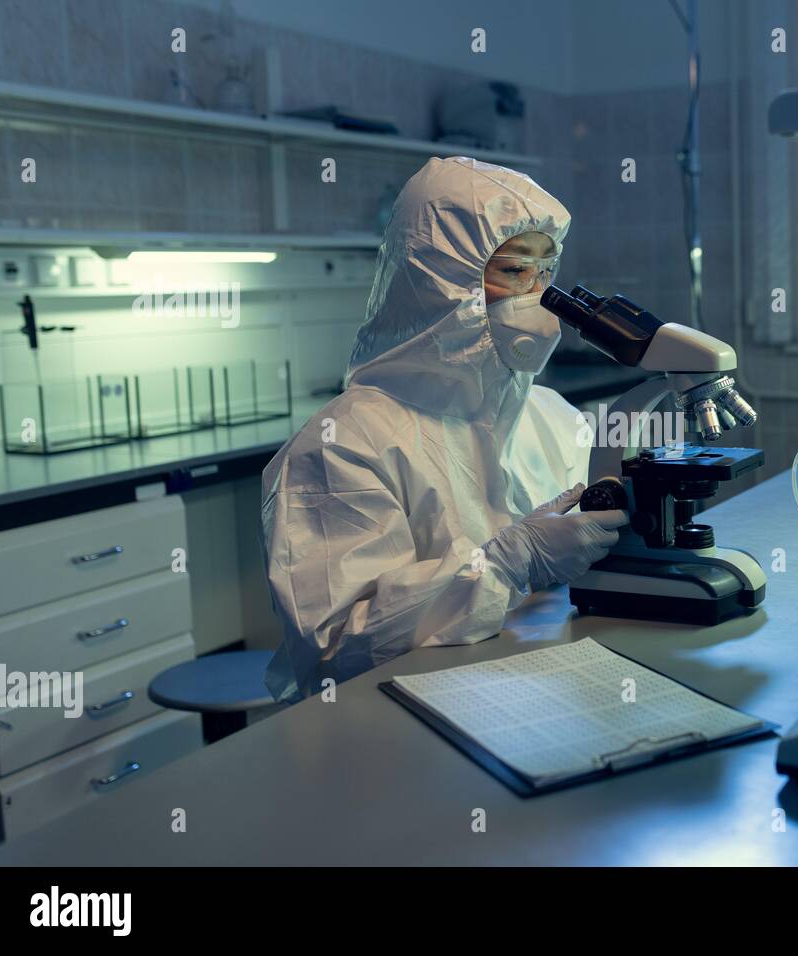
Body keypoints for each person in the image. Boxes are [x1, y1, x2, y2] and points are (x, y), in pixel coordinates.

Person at [260, 156, 628, 702]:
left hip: (537, 690)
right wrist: (509, 563)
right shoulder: (344, 445)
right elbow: (338, 647)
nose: (542, 294)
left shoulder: (550, 415)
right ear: (441, 278)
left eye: (547, 271)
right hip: (393, 727)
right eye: (514, 270)